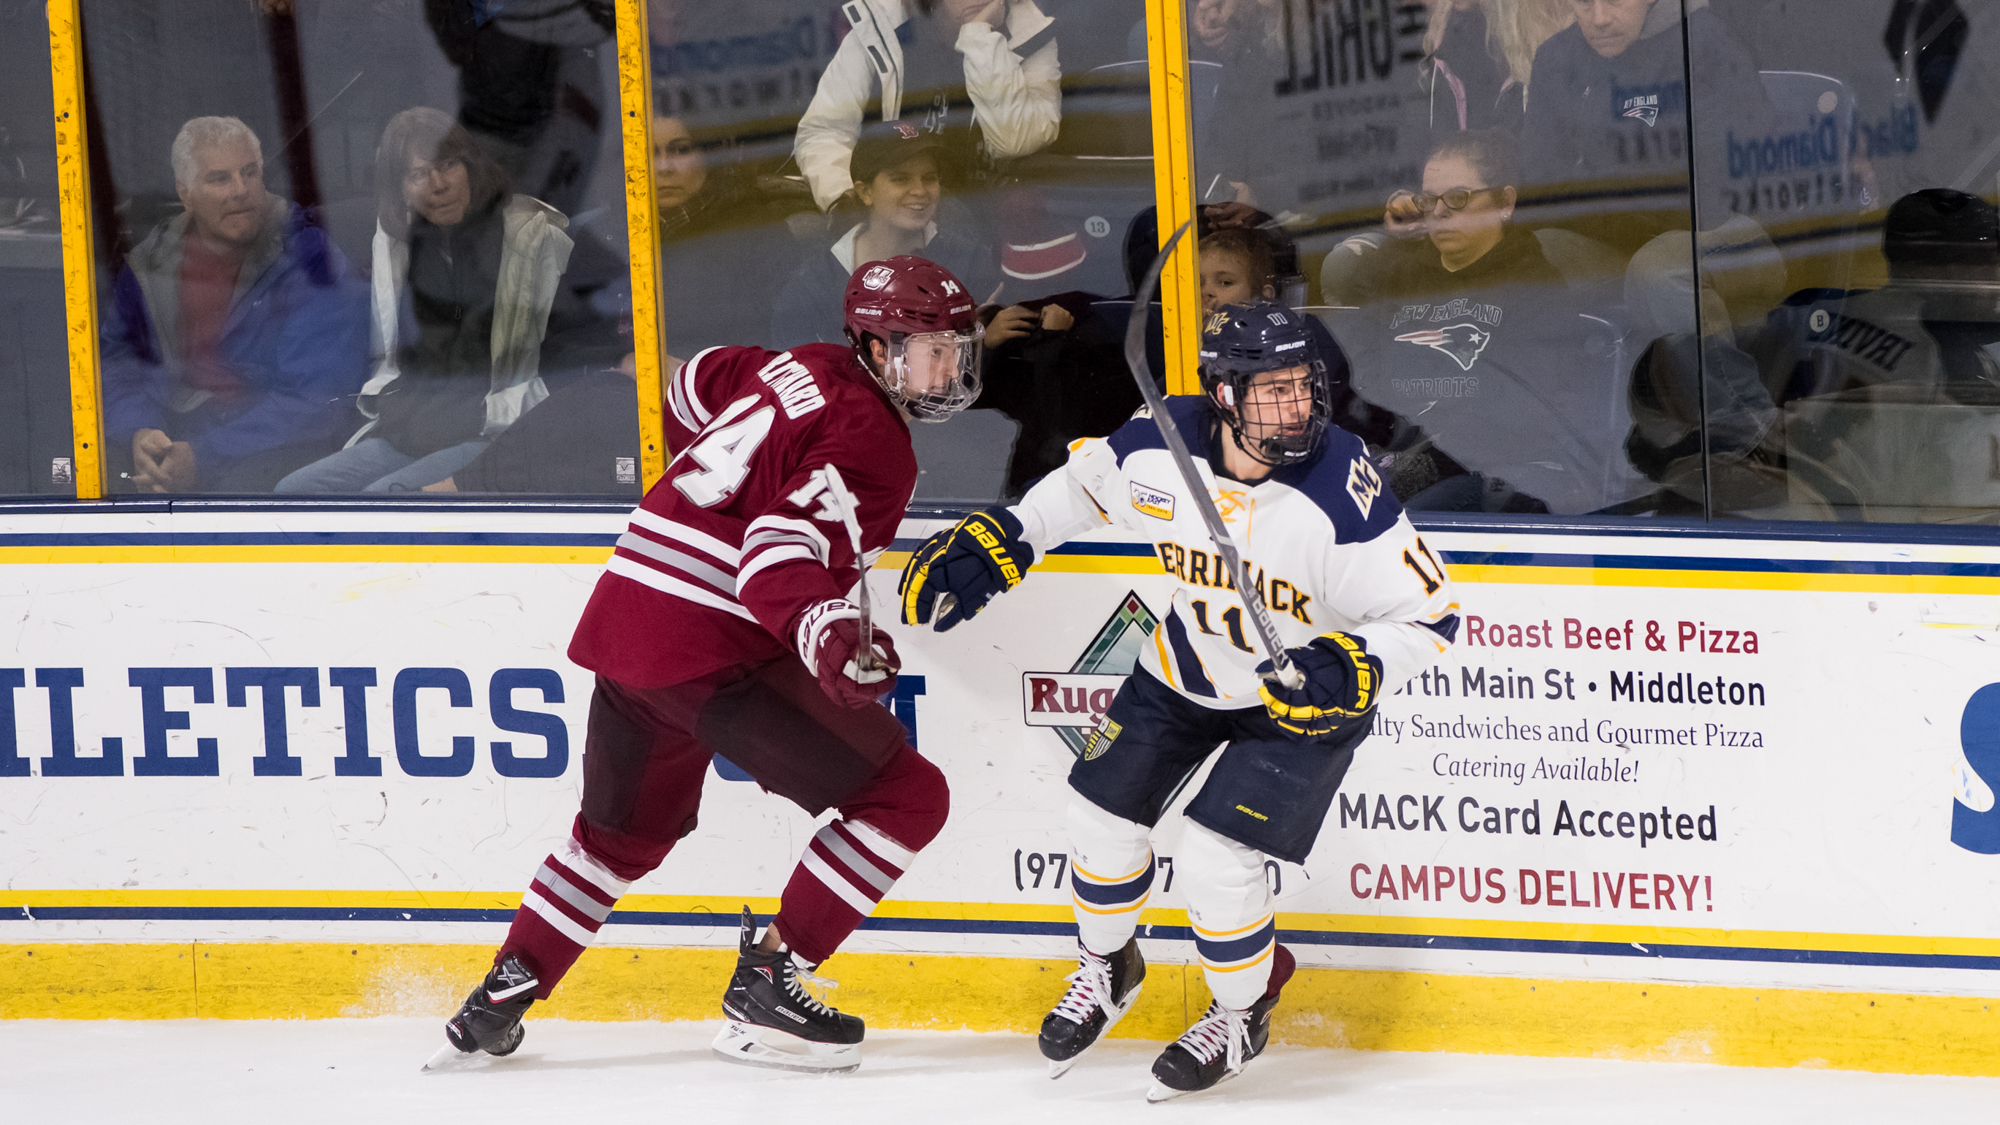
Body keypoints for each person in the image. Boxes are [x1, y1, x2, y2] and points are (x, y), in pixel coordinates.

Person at [432, 255, 985, 1074]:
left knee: (614, 841)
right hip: (708, 645)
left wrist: (736, 483)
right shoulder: (874, 441)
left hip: (628, 624)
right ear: (876, 347)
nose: (951, 370)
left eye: (957, 350)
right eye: (932, 351)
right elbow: (773, 553)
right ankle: (770, 980)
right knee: (907, 797)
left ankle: (503, 991)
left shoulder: (795, 364)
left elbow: (687, 389)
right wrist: (831, 637)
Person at [897, 301, 1459, 1099]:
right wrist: (1015, 534)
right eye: (1272, 390)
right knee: (1096, 819)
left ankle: (1241, 1012)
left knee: (1213, 861)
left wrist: (1354, 663)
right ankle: (1109, 966)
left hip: (1302, 696)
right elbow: (1083, 486)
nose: (1296, 406)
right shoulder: (1163, 441)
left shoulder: (1342, 490)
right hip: (1186, 667)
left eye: (1303, 385)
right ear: (1223, 395)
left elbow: (1432, 617)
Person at [277, 108, 623, 493]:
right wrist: (402, 411)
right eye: (418, 174)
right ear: (401, 189)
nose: (438, 185)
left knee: (382, 503)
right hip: (416, 431)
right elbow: (398, 365)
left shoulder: (532, 236)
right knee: (295, 492)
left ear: (471, 167)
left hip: (494, 434)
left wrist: (620, 356)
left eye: (448, 165)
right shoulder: (401, 247)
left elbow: (573, 343)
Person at [1342, 130, 1642, 514]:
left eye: (1458, 197)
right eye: (1428, 200)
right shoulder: (1399, 275)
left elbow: (1527, 417)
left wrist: (1424, 456)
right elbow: (1364, 375)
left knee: (1388, 518)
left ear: (1504, 202)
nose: (1439, 212)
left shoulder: (1534, 286)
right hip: (1400, 456)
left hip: (1491, 474)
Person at [99, 116, 367, 493]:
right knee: (86, 478)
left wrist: (204, 456)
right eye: (219, 179)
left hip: (270, 444)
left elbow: (314, 399)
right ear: (186, 194)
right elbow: (118, 357)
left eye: (250, 172)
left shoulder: (309, 258)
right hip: (174, 430)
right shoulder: (152, 262)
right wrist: (140, 430)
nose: (240, 190)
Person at [793, 0, 1061, 213]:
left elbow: (1015, 141)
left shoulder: (1030, 32)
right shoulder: (878, 30)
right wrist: (851, 206)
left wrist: (980, 37)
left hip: (984, 214)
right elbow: (825, 133)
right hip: (891, 212)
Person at [770, 121, 997, 346]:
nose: (920, 190)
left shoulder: (969, 261)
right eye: (900, 179)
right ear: (865, 192)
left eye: (929, 178)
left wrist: (984, 345)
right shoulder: (814, 286)